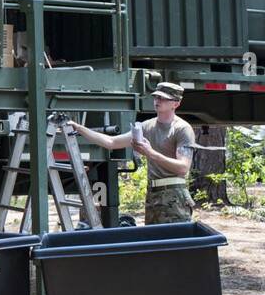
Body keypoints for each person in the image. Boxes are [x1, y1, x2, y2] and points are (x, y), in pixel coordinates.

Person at [69, 82, 197, 225]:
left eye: (163, 98)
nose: (158, 101)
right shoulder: (146, 126)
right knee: (153, 242)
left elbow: (183, 167)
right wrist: (79, 128)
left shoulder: (182, 129)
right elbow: (111, 142)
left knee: (175, 243)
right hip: (153, 194)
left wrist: (150, 153)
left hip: (174, 195)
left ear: (176, 104)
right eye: (156, 97)